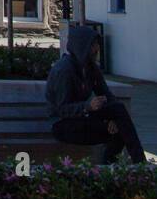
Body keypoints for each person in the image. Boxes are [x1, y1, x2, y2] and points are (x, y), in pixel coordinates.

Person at [46, 24, 146, 164]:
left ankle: (138, 163)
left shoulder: (91, 68)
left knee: (119, 114)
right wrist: (87, 106)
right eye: (92, 45)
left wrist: (113, 119)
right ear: (82, 46)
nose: (97, 49)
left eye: (96, 44)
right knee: (118, 131)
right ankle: (115, 166)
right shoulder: (64, 70)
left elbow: (107, 96)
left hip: (82, 117)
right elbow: (61, 109)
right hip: (63, 125)